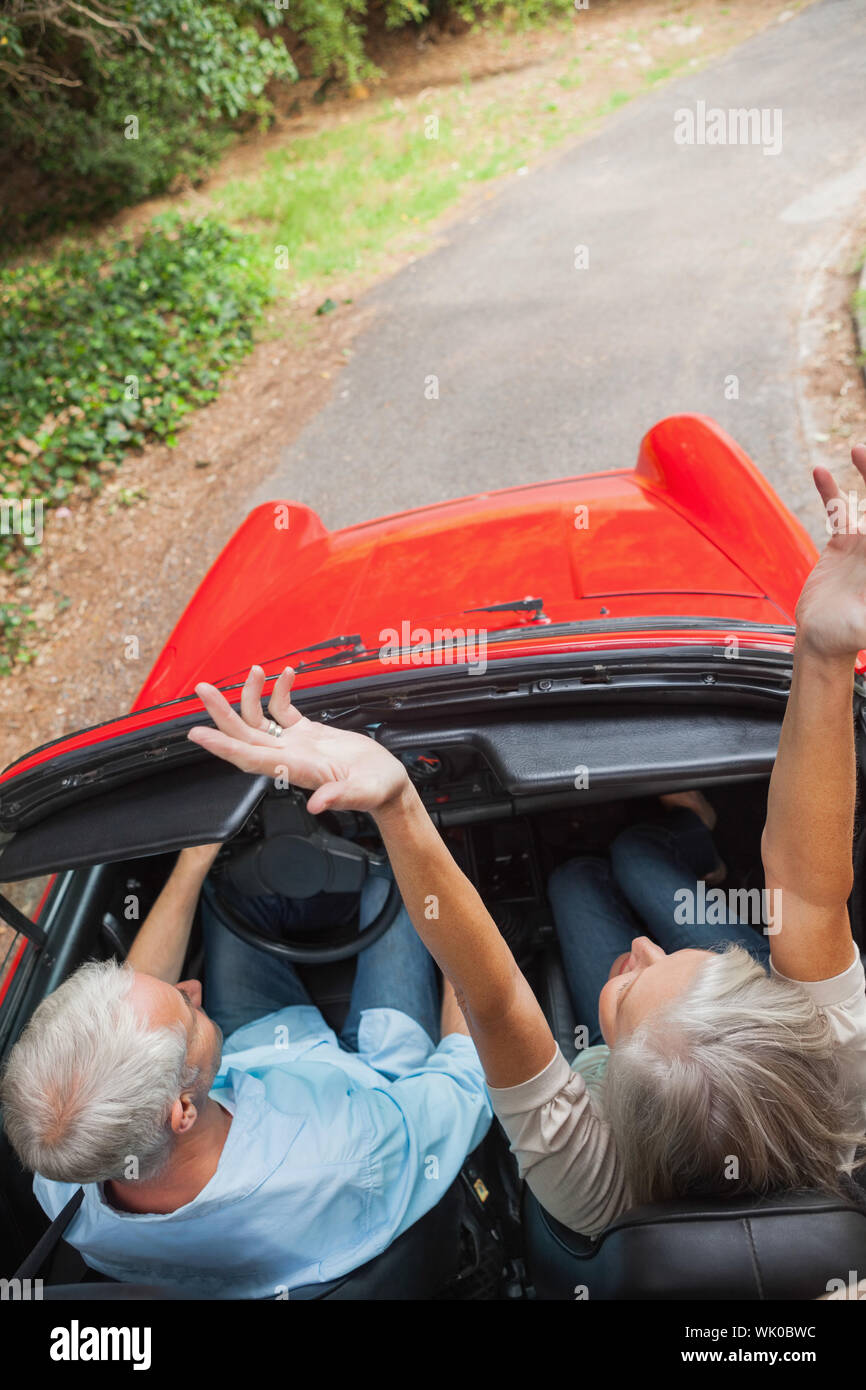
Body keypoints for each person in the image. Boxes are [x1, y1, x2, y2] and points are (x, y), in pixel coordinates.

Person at [184, 446, 866, 1238]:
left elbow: (503, 1002)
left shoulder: (595, 1185)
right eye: (699, 963)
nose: (642, 949)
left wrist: (404, 801)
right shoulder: (843, 1066)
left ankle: (664, 862)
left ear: (615, 1104)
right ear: (781, 1017)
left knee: (581, 883)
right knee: (583, 884)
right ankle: (676, 863)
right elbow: (810, 889)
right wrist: (822, 651)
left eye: (621, 994)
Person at [1, 845, 492, 1297]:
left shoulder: (65, 1167)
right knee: (402, 878)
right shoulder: (348, 1156)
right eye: (187, 1013)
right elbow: (466, 1078)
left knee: (228, 891)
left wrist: (194, 862)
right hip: (376, 1079)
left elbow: (139, 990)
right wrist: (461, 939)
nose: (192, 987)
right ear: (182, 1111)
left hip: (263, 1049)